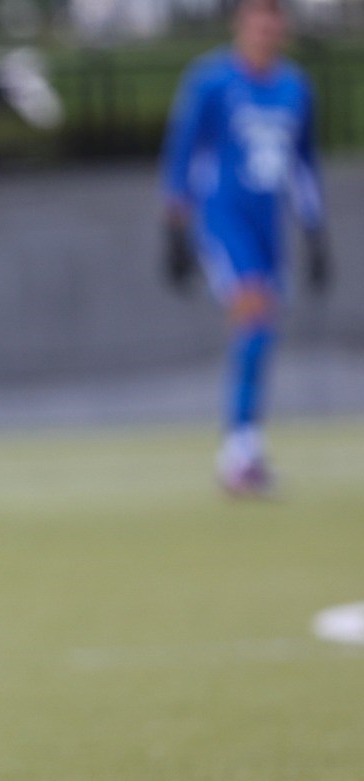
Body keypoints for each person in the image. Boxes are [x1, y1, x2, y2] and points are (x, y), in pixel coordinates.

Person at [160, 0, 328, 496]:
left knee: (263, 330)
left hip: (268, 226)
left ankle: (246, 444)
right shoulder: (212, 82)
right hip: (224, 219)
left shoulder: (296, 87)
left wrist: (316, 234)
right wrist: (174, 227)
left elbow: (303, 165)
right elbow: (184, 153)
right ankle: (238, 455)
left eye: (274, 17)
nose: (266, 27)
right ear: (241, 23)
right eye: (257, 17)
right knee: (253, 316)